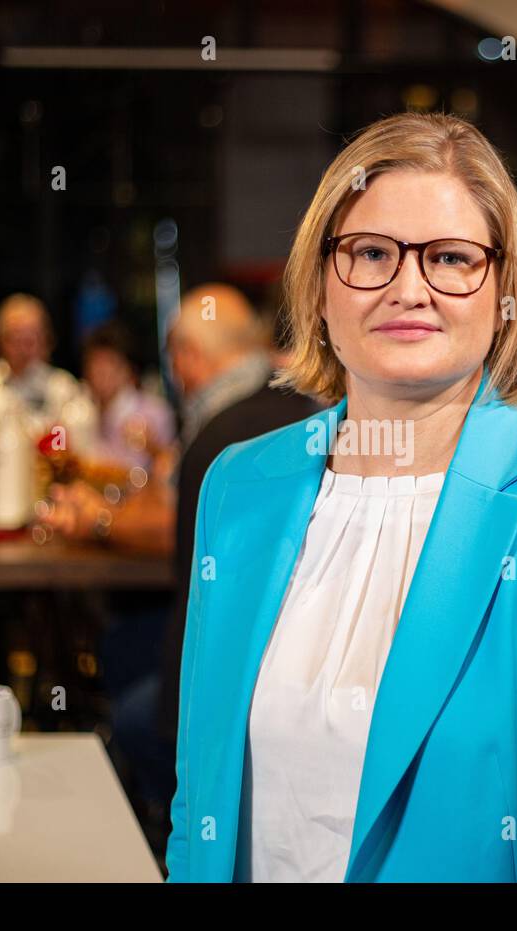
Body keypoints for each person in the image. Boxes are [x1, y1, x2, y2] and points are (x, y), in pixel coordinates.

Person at [165, 113, 517, 883]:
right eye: (372, 253)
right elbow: (199, 803)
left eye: (450, 257)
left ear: (503, 291)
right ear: (319, 286)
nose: (408, 288)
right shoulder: (240, 483)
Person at [38, 284, 317, 825]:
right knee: (120, 643)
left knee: (133, 709)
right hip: (285, 649)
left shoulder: (223, 434)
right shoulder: (284, 404)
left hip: (233, 675)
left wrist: (97, 519)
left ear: (188, 355)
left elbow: (179, 541)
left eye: (175, 357)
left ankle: (164, 821)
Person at [0, 293, 95, 458]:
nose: (24, 347)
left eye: (32, 337)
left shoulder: (63, 386)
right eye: (15, 337)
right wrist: (40, 442)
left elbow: (74, 444)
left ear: (46, 339)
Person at [79, 321, 175, 473]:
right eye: (95, 364)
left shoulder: (154, 412)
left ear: (129, 369)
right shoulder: (80, 410)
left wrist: (153, 448)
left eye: (110, 364)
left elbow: (169, 466)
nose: (102, 373)